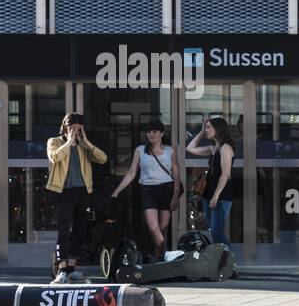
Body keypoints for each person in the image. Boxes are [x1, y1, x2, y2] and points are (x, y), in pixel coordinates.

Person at [46, 111, 108, 284]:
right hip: (63, 191)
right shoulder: (54, 141)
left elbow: (103, 159)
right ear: (65, 127)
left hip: (82, 192)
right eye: (72, 128)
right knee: (64, 230)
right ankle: (62, 269)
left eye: (79, 129)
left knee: (80, 230)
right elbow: (54, 157)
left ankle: (72, 268)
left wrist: (86, 142)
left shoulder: (83, 146)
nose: (76, 132)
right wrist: (68, 142)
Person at [111, 120, 180, 261]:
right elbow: (131, 173)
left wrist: (175, 195)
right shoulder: (140, 150)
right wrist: (117, 190)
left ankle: (159, 257)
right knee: (153, 226)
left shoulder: (170, 150)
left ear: (162, 133)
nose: (151, 134)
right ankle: (167, 255)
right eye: (149, 132)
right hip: (148, 189)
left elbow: (176, 175)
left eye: (154, 131)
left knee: (163, 227)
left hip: (167, 188)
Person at [186, 116, 239, 251]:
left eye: (209, 127)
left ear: (218, 129)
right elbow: (190, 148)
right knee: (213, 231)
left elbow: (225, 174)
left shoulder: (225, 148)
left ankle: (228, 262)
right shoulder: (213, 148)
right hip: (208, 194)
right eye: (206, 127)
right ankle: (220, 262)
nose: (207, 130)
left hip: (220, 196)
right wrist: (202, 132)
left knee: (217, 232)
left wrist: (216, 196)